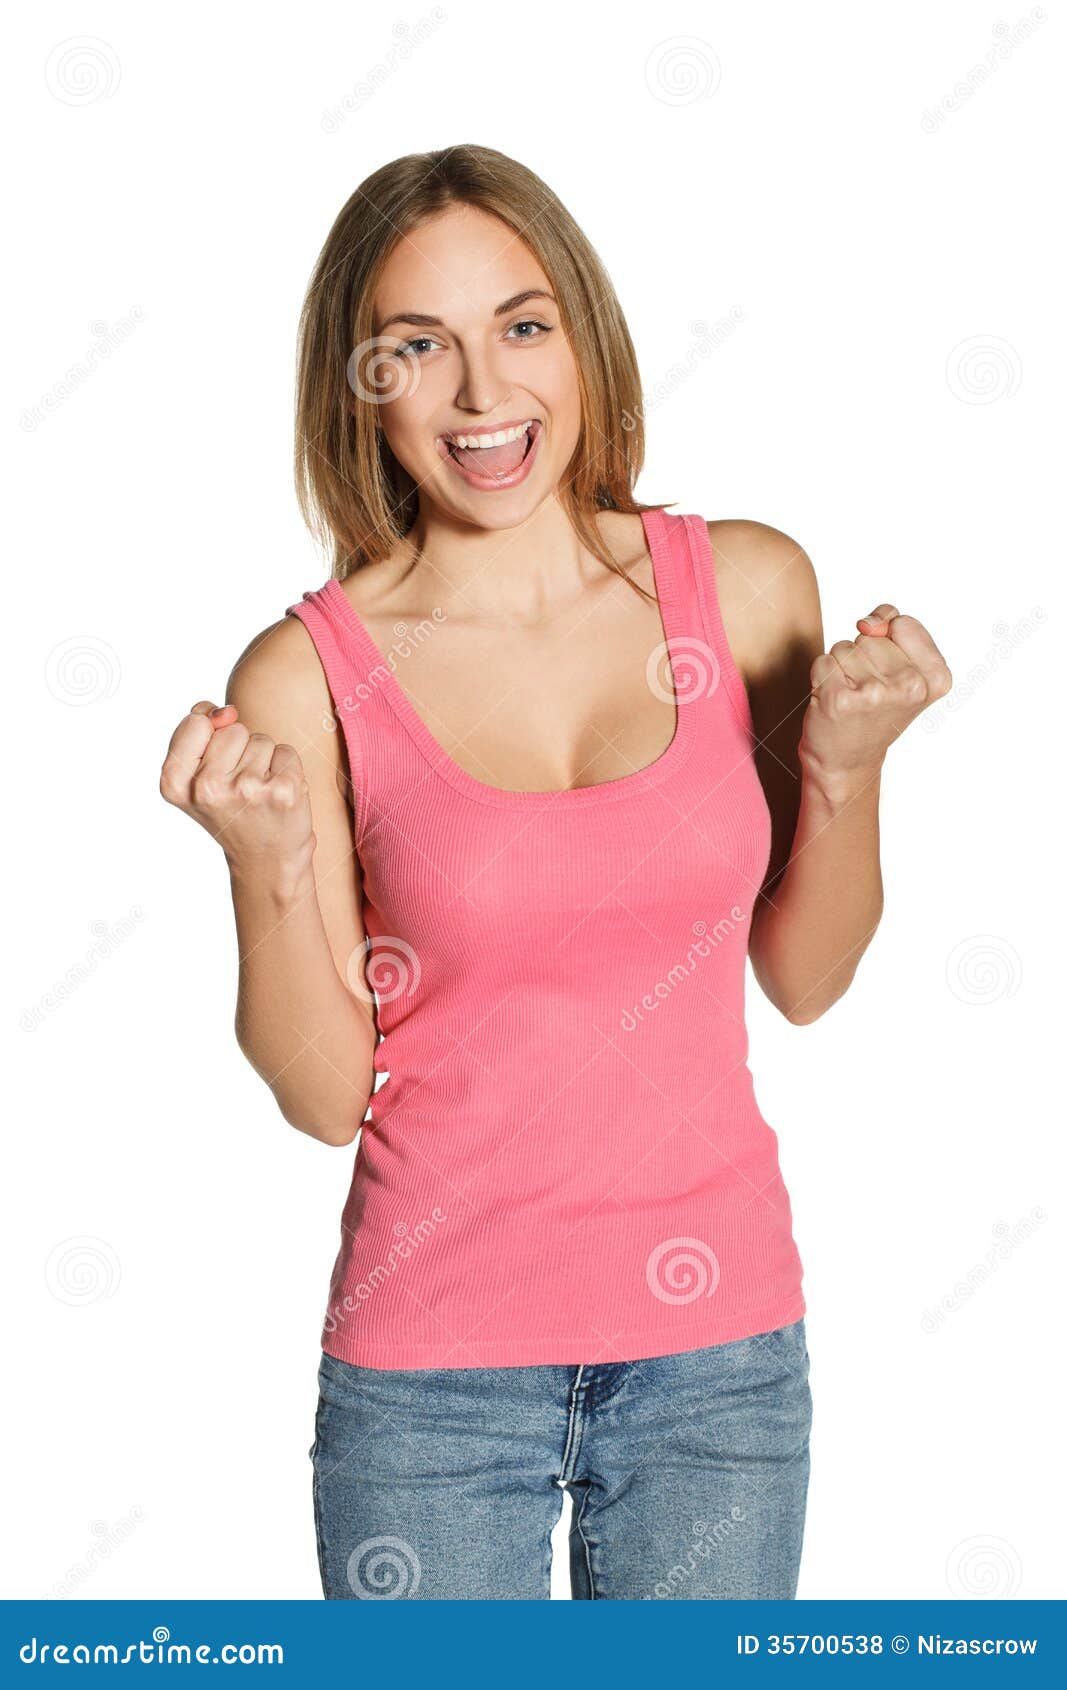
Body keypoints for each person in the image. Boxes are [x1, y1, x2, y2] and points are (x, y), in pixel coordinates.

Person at [158, 145, 951, 1600]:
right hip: (428, 1389)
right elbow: (325, 1092)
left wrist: (848, 768)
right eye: (418, 348)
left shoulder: (753, 587)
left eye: (522, 326)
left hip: (717, 1366)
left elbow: (807, 975)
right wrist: (269, 866)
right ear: (358, 385)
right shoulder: (306, 675)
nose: (482, 395)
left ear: (584, 334)